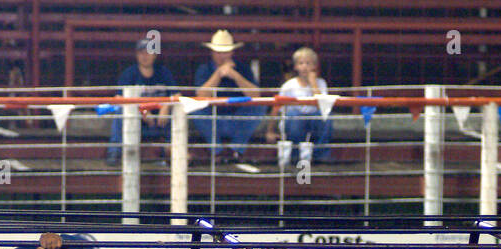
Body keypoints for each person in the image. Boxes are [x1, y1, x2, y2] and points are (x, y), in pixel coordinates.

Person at [192, 29, 266, 162]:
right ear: (212, 53)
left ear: (232, 52)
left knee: (259, 107)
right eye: (219, 52)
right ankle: (217, 151)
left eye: (225, 52)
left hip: (238, 120)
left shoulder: (243, 68)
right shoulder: (204, 69)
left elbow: (256, 95)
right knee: (195, 109)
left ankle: (236, 150)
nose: (222, 56)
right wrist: (218, 74)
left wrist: (235, 75)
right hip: (213, 121)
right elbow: (200, 95)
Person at [105, 38, 176, 166]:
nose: (145, 56)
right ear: (137, 55)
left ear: (155, 55)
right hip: (137, 122)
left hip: (161, 121)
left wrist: (166, 105)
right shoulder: (129, 73)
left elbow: (177, 96)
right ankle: (114, 152)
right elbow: (118, 99)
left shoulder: (164, 72)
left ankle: (174, 151)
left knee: (178, 110)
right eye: (141, 53)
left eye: (148, 52)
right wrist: (141, 109)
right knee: (120, 111)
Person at [266, 46, 332, 164]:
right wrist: (270, 130)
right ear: (296, 66)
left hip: (313, 118)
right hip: (293, 121)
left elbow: (322, 107)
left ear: (314, 66)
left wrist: (313, 84)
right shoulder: (289, 85)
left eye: (308, 63)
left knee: (326, 116)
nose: (305, 66)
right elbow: (276, 108)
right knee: (295, 115)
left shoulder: (321, 83)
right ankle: (295, 155)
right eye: (301, 63)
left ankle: (320, 156)